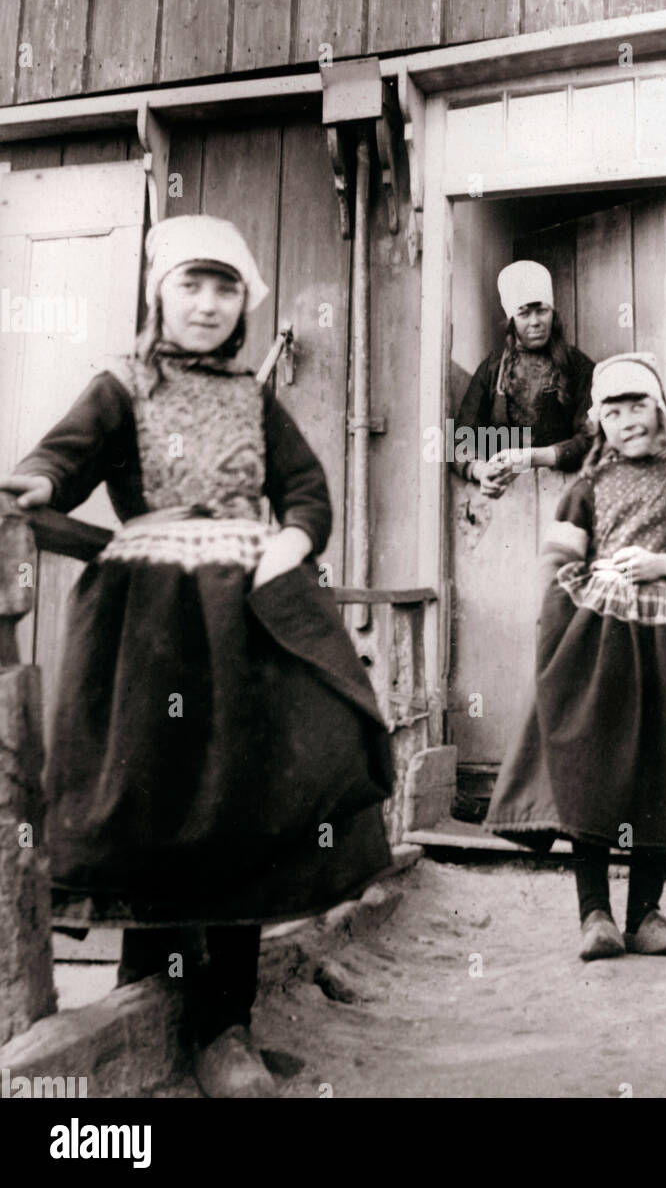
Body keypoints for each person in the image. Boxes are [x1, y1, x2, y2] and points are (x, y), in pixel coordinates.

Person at [1, 214, 393, 1097]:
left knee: (242, 802)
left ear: (242, 305)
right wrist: (38, 482)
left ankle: (227, 1028)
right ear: (158, 295)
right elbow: (60, 462)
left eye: (226, 289)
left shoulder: (255, 399)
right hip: (151, 626)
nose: (209, 305)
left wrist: (295, 538)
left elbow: (305, 489)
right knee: (161, 795)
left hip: (244, 624)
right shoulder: (121, 386)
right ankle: (150, 1011)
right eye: (192, 285)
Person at [484, 353, 666, 960]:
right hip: (597, 642)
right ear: (597, 420)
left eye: (639, 405)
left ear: (661, 412)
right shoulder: (587, 489)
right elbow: (556, 567)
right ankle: (595, 914)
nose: (628, 419)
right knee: (590, 759)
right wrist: (555, 642)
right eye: (614, 409)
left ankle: (647, 915)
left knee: (663, 760)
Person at [453, 260, 594, 497]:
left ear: (553, 313)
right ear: (511, 320)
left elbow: (591, 437)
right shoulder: (492, 369)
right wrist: (481, 471)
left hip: (564, 494)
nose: (535, 321)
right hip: (506, 500)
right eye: (524, 313)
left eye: (542, 310)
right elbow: (461, 438)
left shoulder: (577, 365)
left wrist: (532, 457)